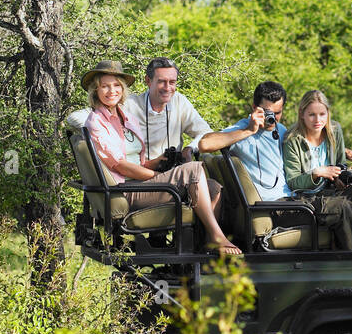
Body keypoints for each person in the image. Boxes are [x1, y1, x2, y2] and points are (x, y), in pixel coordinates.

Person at [81, 60, 239, 255]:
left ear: (122, 89)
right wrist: (155, 175)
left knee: (213, 187)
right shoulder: (97, 121)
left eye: (116, 86)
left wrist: (158, 162)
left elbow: (132, 161)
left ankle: (202, 252)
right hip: (125, 190)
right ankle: (218, 237)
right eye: (104, 86)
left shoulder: (122, 115)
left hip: (137, 182)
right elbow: (120, 166)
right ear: (95, 90)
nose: (111, 91)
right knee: (194, 168)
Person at [282, 89, 352, 250]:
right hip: (306, 196)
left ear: (328, 113)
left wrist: (340, 178)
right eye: (311, 114)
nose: (317, 120)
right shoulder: (292, 139)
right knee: (344, 206)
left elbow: (340, 163)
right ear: (301, 114)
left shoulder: (334, 130)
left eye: (322, 114)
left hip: (330, 190)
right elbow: (292, 181)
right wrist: (316, 173)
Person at [197, 80, 293, 201]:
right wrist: (249, 130)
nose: (272, 118)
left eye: (277, 113)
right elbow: (204, 144)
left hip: (289, 198)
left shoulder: (282, 130)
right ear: (254, 107)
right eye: (267, 112)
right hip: (269, 203)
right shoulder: (242, 128)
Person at [122, 57, 213, 163]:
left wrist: (190, 149)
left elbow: (206, 133)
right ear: (148, 81)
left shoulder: (178, 101)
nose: (167, 88)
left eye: (172, 82)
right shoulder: (130, 104)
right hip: (141, 173)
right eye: (161, 81)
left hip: (173, 171)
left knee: (211, 179)